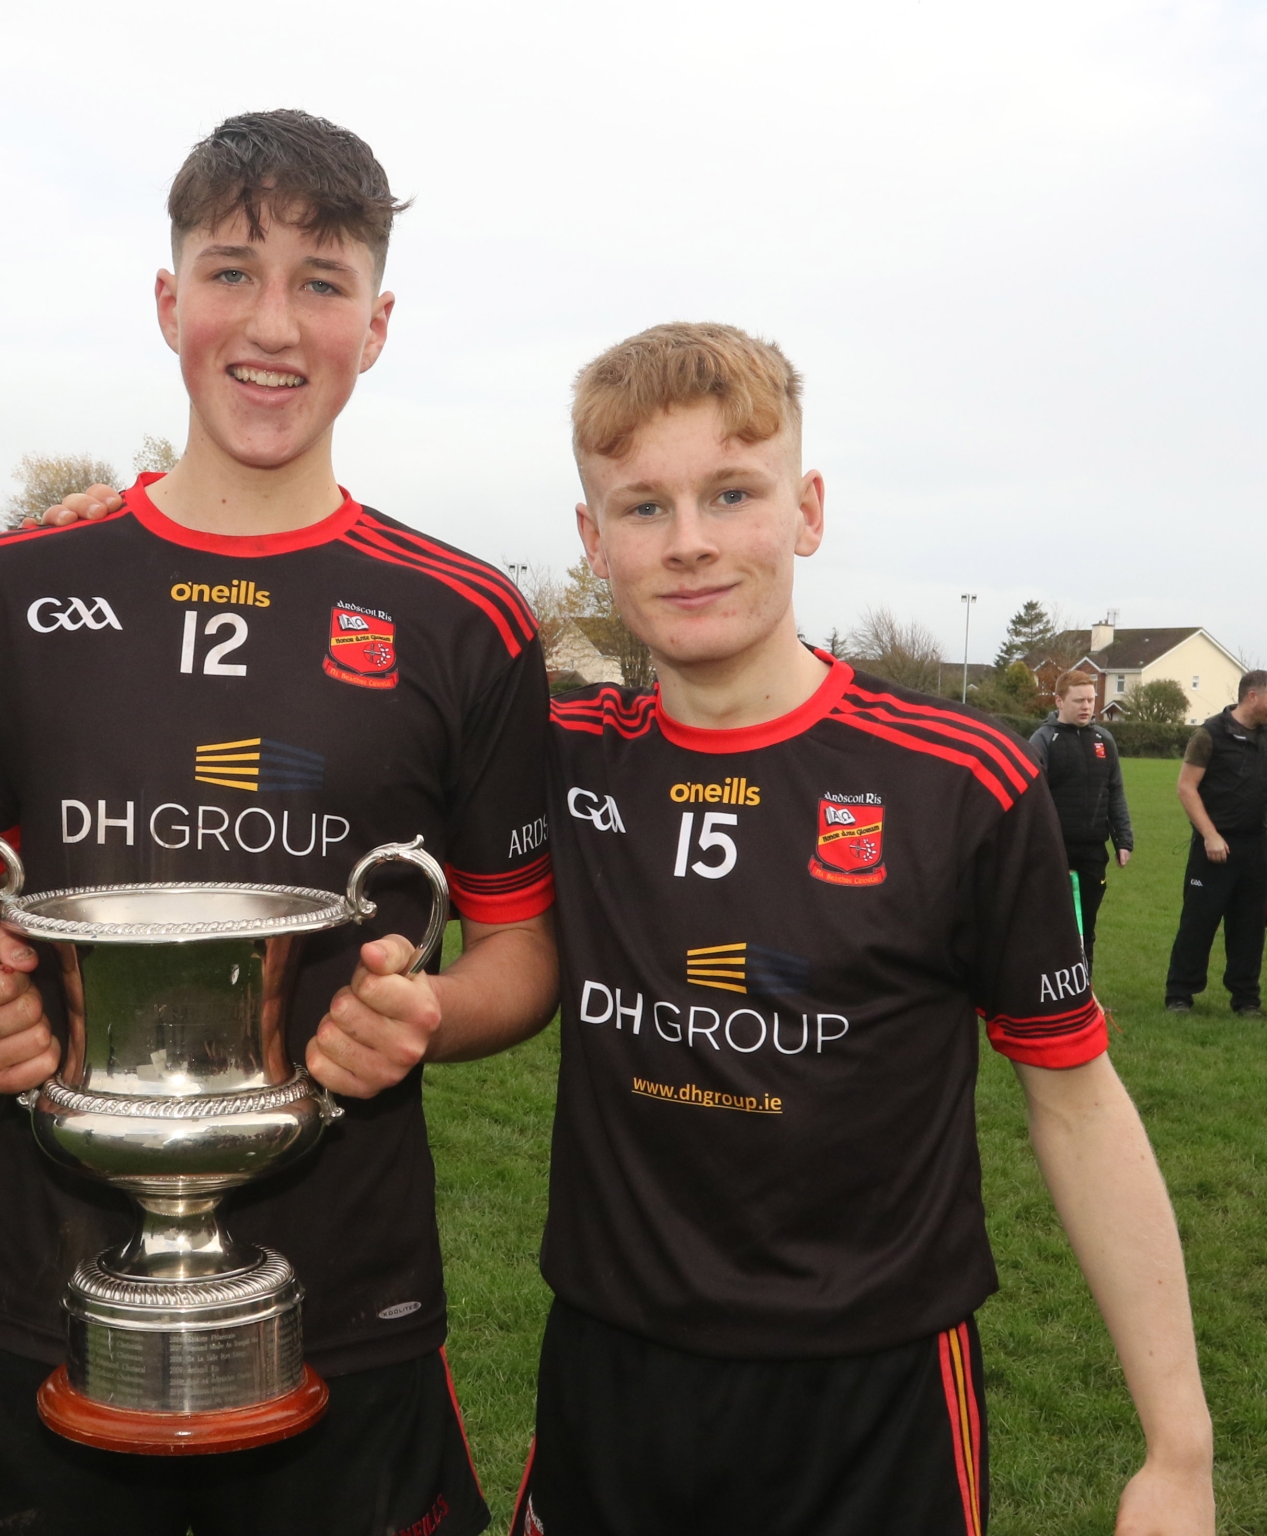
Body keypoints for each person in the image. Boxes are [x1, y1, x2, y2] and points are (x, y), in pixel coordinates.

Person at [0, 110, 559, 1536]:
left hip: (357, 1294)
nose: (274, 323)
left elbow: (521, 953)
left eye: (321, 282)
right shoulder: (5, 595)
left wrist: (428, 1015)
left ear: (377, 324)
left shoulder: (465, 617)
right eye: (231, 270)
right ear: (167, 301)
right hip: (50, 1272)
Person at [510, 324, 1213, 1535]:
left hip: (873, 1397)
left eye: (732, 493)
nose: (689, 542)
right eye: (641, 507)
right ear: (591, 541)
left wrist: (1179, 1450)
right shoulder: (559, 754)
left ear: (808, 509)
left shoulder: (962, 781)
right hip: (607, 1379)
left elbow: (1077, 1097)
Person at [1163, 670, 1267, 1017]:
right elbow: (1186, 787)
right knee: (1198, 922)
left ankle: (1246, 1000)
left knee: (1250, 928)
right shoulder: (1210, 734)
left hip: (1257, 848)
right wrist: (1210, 834)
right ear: (1252, 696)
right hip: (1215, 845)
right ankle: (1180, 994)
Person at [1028, 669, 1133, 973]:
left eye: (1091, 700)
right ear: (1059, 701)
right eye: (1079, 700)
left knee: (1086, 924)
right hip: (1052, 850)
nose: (1087, 706)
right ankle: (1045, 988)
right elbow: (1030, 796)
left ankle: (1083, 990)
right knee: (1051, 924)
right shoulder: (1044, 740)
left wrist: (1123, 840)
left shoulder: (1104, 739)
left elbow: (1115, 791)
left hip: (1092, 851)